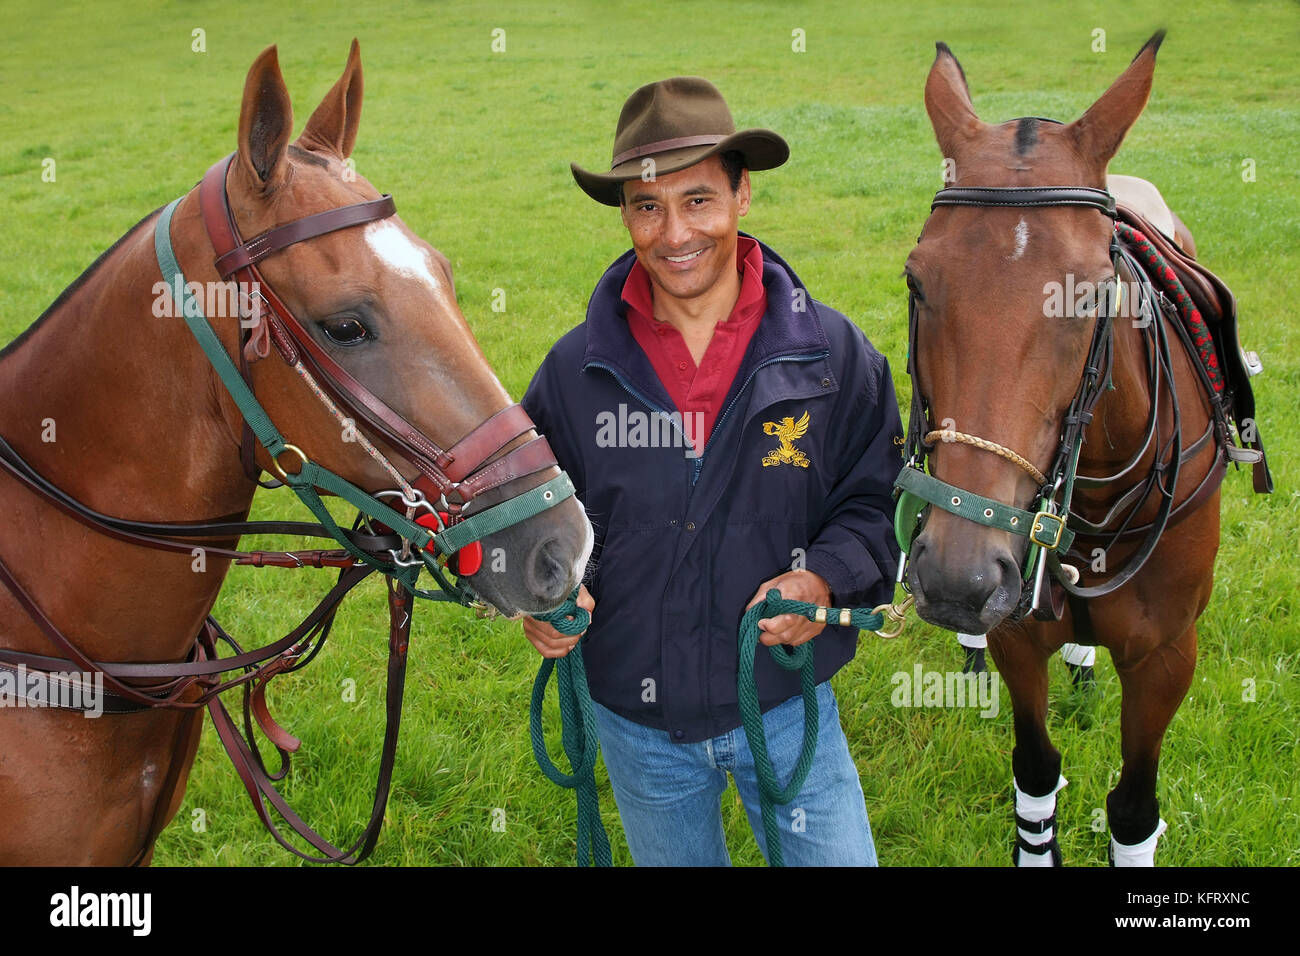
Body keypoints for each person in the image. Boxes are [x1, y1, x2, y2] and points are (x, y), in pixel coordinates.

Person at [520, 76, 903, 866]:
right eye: (647, 206)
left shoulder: (832, 358)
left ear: (742, 193)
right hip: (637, 722)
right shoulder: (574, 372)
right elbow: (532, 517)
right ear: (626, 214)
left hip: (786, 704)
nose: (672, 234)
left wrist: (824, 579)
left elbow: (878, 501)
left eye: (698, 200)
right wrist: (542, 591)